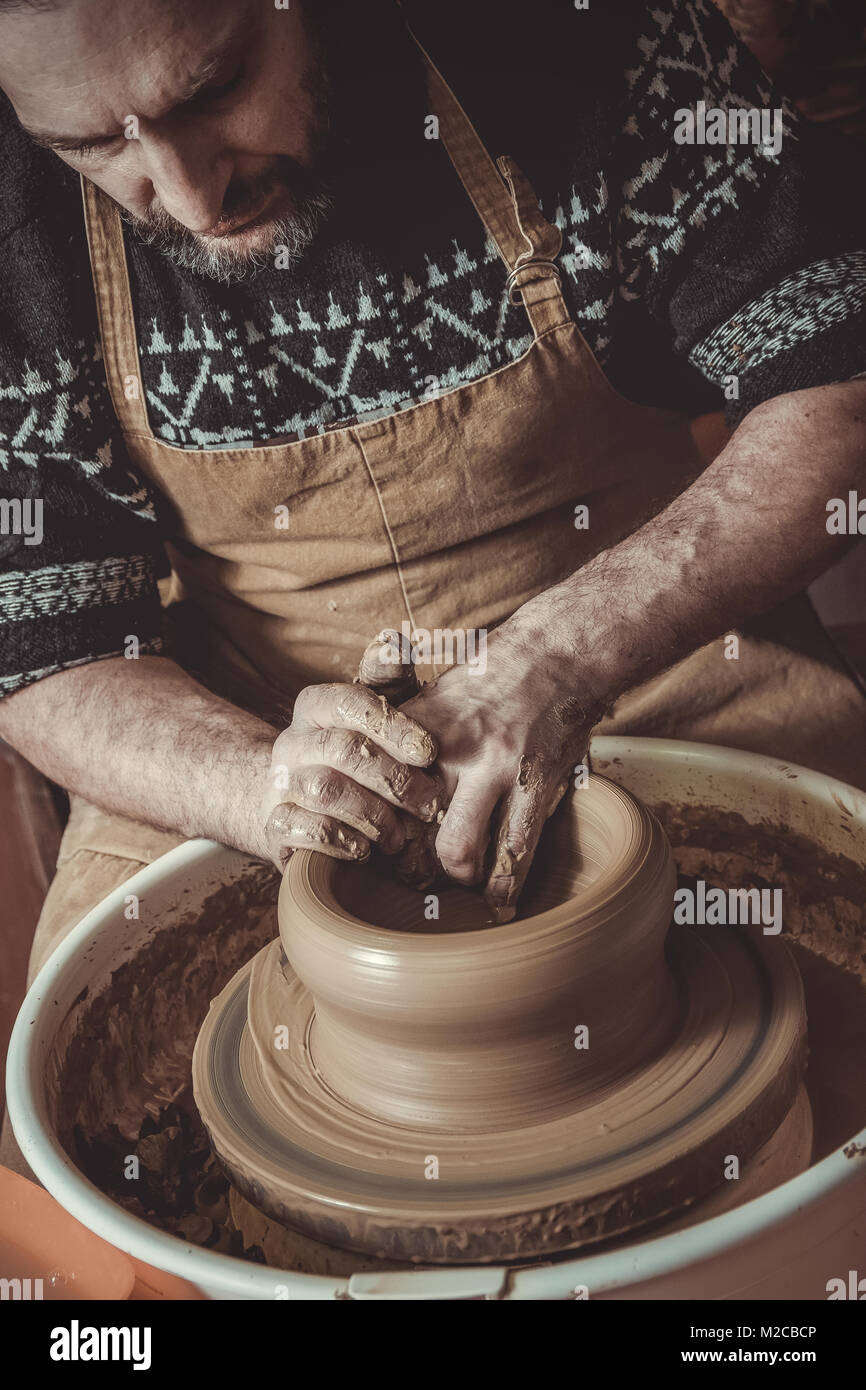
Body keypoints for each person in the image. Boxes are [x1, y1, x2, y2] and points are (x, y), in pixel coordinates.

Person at [0, 0, 863, 976]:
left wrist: (553, 660)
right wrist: (260, 785)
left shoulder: (569, 33)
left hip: (644, 645)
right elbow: (36, 634)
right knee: (84, 1081)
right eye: (88, 144)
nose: (191, 195)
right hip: (250, 728)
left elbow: (841, 385)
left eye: (214, 88)